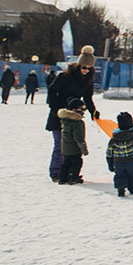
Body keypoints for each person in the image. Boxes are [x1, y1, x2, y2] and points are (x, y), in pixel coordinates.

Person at [46, 46, 100, 183]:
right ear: (78, 65)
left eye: (89, 69)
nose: (85, 71)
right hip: (59, 113)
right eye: (83, 68)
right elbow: (52, 90)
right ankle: (55, 173)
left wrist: (94, 112)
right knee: (60, 144)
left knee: (70, 146)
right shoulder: (65, 76)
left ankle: (68, 173)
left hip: (74, 116)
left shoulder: (88, 81)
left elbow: (88, 98)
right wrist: (54, 109)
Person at [58, 98, 89, 185]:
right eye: (82, 109)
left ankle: (63, 178)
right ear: (74, 110)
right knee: (76, 162)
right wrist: (84, 149)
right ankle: (73, 177)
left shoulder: (65, 120)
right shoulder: (78, 122)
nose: (83, 111)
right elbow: (79, 138)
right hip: (74, 148)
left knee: (66, 162)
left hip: (66, 147)